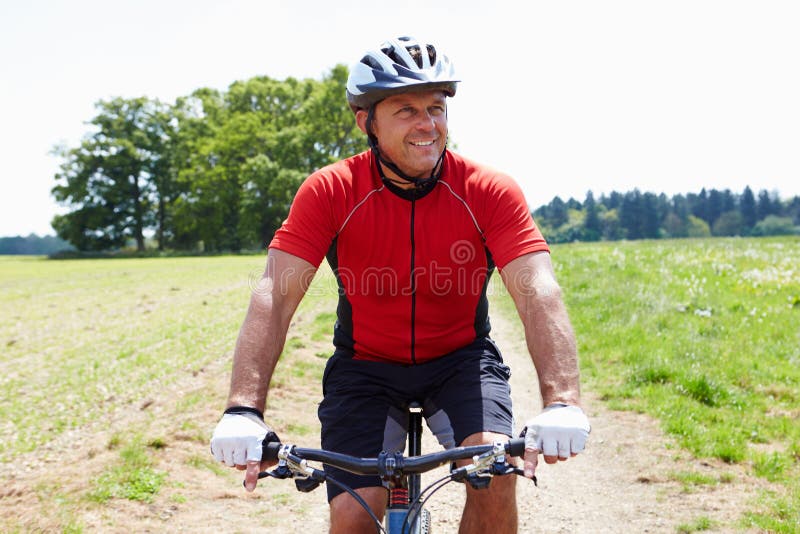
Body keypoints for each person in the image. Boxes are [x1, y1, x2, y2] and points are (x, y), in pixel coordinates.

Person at [210, 35, 590, 533]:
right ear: (365, 121)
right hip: (365, 368)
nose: (428, 124)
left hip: (462, 360)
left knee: (494, 475)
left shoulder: (488, 190)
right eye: (406, 110)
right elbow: (274, 297)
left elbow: (539, 290)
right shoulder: (330, 190)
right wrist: (243, 409)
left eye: (436, 107)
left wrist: (561, 400)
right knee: (352, 510)